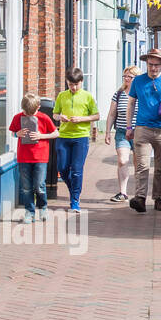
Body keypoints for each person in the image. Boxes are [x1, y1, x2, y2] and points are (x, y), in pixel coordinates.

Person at [125, 49, 161, 213]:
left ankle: (158, 199)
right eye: (150, 64)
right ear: (146, 63)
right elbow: (131, 104)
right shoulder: (138, 81)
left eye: (156, 65)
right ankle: (140, 198)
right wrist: (129, 126)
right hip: (143, 128)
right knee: (141, 165)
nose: (153, 68)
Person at [52, 67, 100, 213]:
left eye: (76, 85)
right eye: (70, 84)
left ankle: (74, 200)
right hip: (64, 136)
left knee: (77, 170)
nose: (73, 88)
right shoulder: (61, 96)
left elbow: (96, 116)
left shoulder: (87, 96)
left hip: (81, 137)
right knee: (62, 168)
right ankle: (74, 190)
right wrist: (60, 117)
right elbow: (54, 114)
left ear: (81, 82)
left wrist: (82, 119)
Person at [9, 93, 58, 223]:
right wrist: (16, 134)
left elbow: (55, 133)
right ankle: (29, 212)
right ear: (22, 108)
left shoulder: (44, 117)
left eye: (32, 113)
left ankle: (43, 208)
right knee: (26, 187)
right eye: (26, 112)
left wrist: (41, 136)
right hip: (23, 158)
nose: (29, 115)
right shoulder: (17, 118)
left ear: (38, 107)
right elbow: (12, 132)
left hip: (40, 157)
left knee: (39, 185)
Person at [104, 66, 139, 202]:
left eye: (130, 77)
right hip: (121, 132)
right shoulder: (118, 94)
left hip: (138, 132)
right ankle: (122, 193)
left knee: (138, 164)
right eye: (125, 76)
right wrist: (107, 132)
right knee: (122, 160)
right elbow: (112, 113)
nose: (127, 79)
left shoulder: (140, 94)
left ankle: (138, 193)